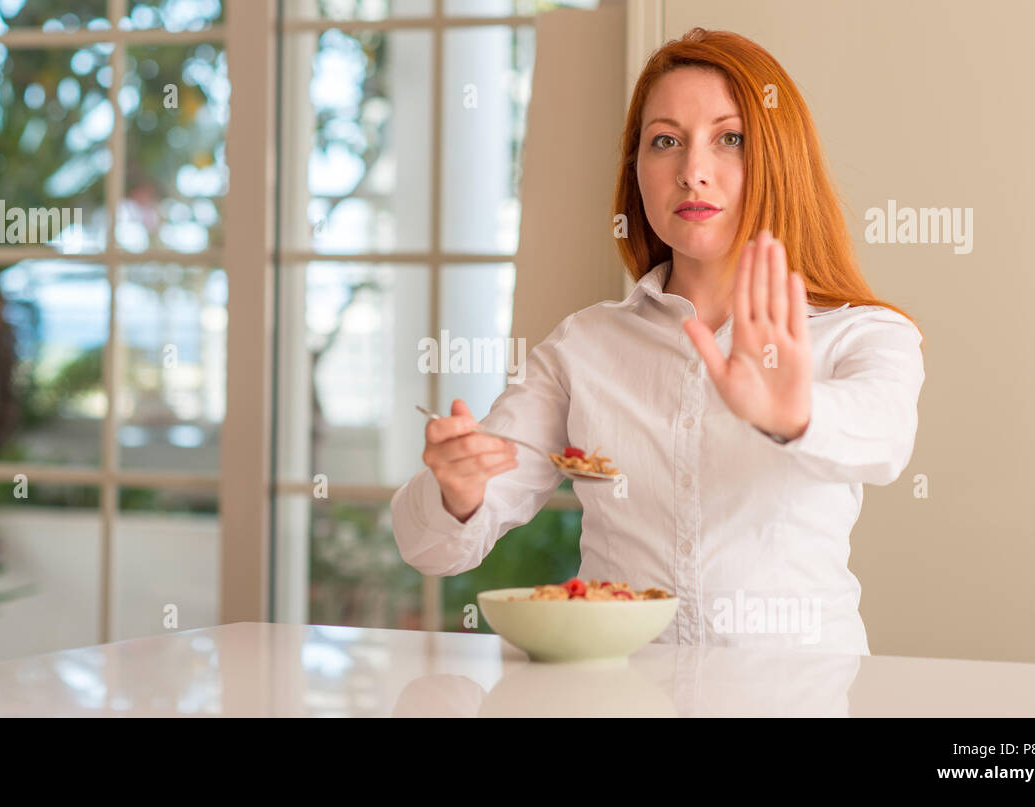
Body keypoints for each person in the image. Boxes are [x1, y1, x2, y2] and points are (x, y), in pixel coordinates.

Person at [389, 27, 925, 656]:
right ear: (636, 172)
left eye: (731, 139)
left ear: (779, 159)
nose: (693, 171)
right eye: (665, 141)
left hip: (799, 694)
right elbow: (428, 548)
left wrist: (794, 413)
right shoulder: (583, 347)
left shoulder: (865, 332)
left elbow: (886, 441)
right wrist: (457, 491)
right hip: (620, 695)